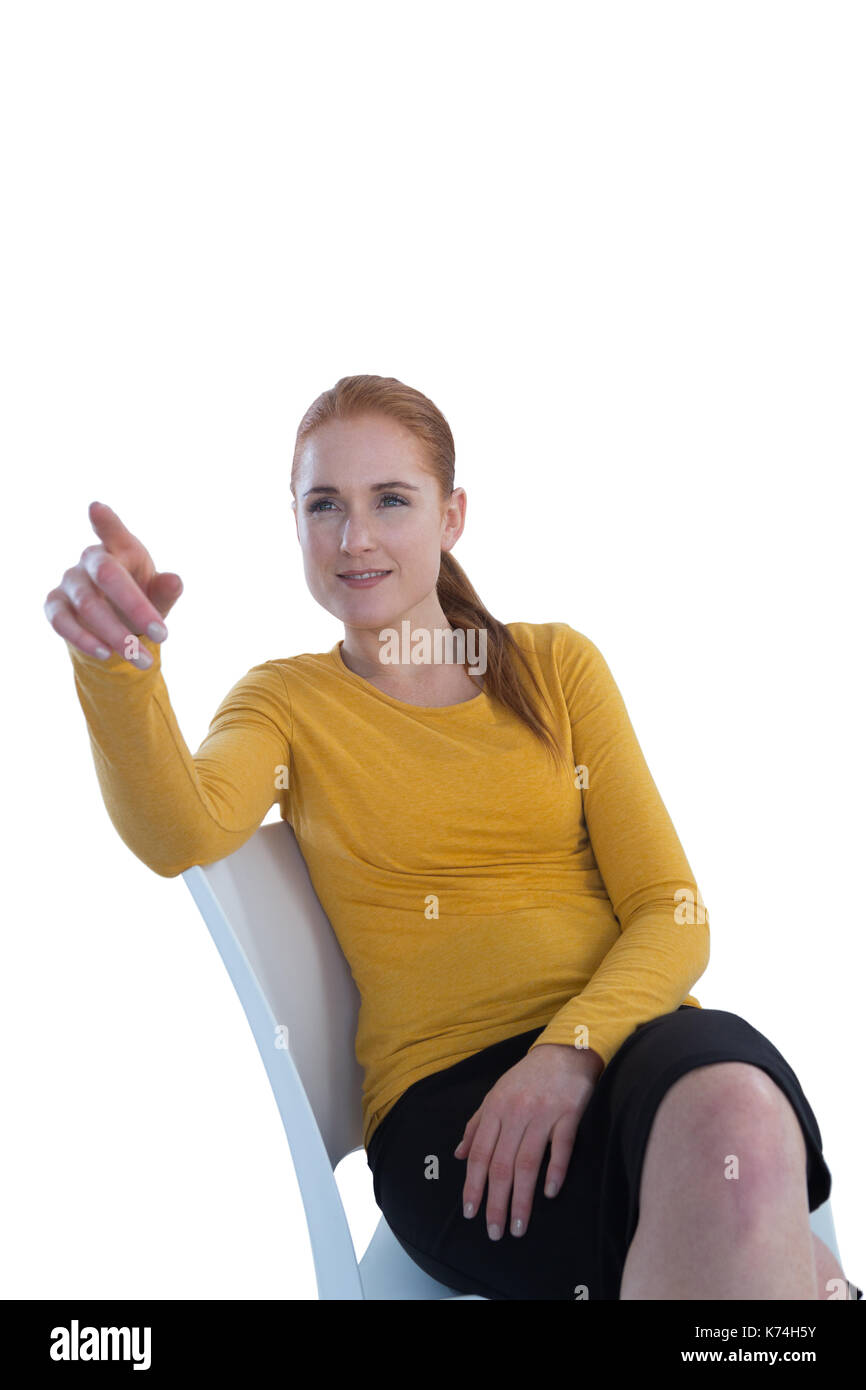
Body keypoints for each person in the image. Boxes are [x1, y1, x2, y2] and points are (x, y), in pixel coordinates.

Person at [45, 373, 857, 1301]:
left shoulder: (556, 666)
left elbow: (672, 912)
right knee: (743, 1236)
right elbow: (174, 830)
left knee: (741, 1118)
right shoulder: (285, 703)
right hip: (453, 1109)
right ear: (296, 523)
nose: (355, 538)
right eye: (324, 506)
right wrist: (118, 668)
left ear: (453, 515)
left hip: (632, 1044)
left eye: (391, 499)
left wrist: (570, 1049)